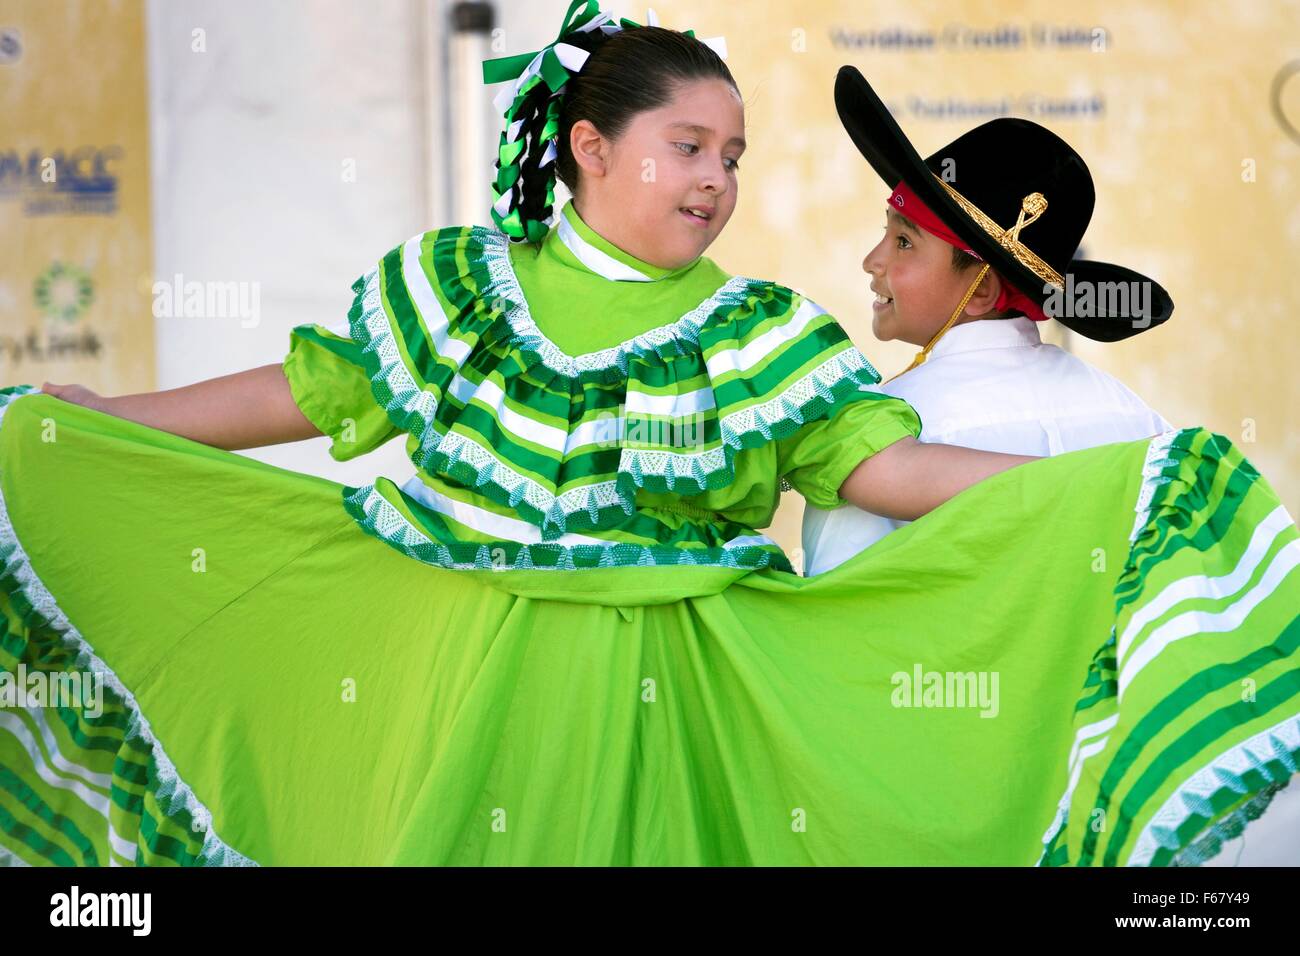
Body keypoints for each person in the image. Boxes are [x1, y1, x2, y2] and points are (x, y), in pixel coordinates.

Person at [1, 7, 1296, 866]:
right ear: (589, 147)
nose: (716, 181)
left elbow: (887, 470)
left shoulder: (759, 334)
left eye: (733, 155)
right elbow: (315, 392)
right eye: (688, 146)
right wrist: (115, 417)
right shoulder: (461, 285)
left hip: (680, 701)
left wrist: (1115, 494)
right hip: (462, 675)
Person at [802, 100, 1174, 575]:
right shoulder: (1138, 420)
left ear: (983, 290)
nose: (872, 260)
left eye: (904, 242)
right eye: (886, 234)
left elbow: (840, 603)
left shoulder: (887, 439)